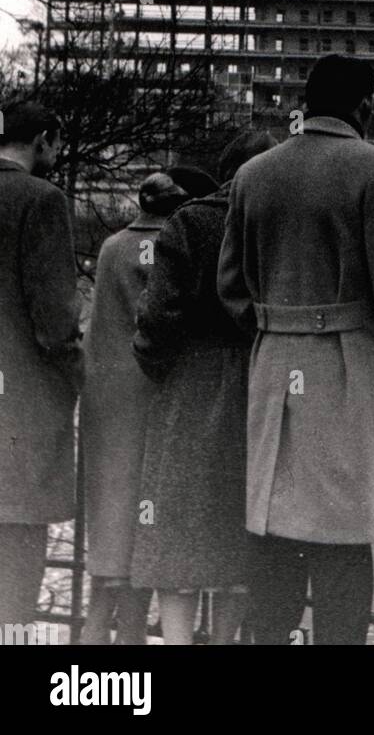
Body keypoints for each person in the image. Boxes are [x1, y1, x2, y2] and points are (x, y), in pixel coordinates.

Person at [218, 54, 374, 646]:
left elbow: (230, 287)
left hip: (273, 371)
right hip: (346, 375)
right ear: (364, 107)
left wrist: (275, 330)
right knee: (343, 545)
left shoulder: (253, 174)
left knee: (275, 540)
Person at [130, 137, 271, 645]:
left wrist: (158, 364)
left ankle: (177, 642)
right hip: (260, 382)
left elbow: (156, 319)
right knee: (241, 528)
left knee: (176, 529)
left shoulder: (189, 221)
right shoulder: (272, 220)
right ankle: (228, 639)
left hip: (189, 386)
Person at [80, 170, 198, 644]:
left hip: (106, 401)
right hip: (151, 397)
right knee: (147, 530)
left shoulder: (111, 247)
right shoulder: (171, 246)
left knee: (112, 541)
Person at [0, 100, 82, 633]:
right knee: (18, 543)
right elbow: (54, 319)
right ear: (44, 140)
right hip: (21, 405)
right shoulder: (42, 201)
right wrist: (80, 376)